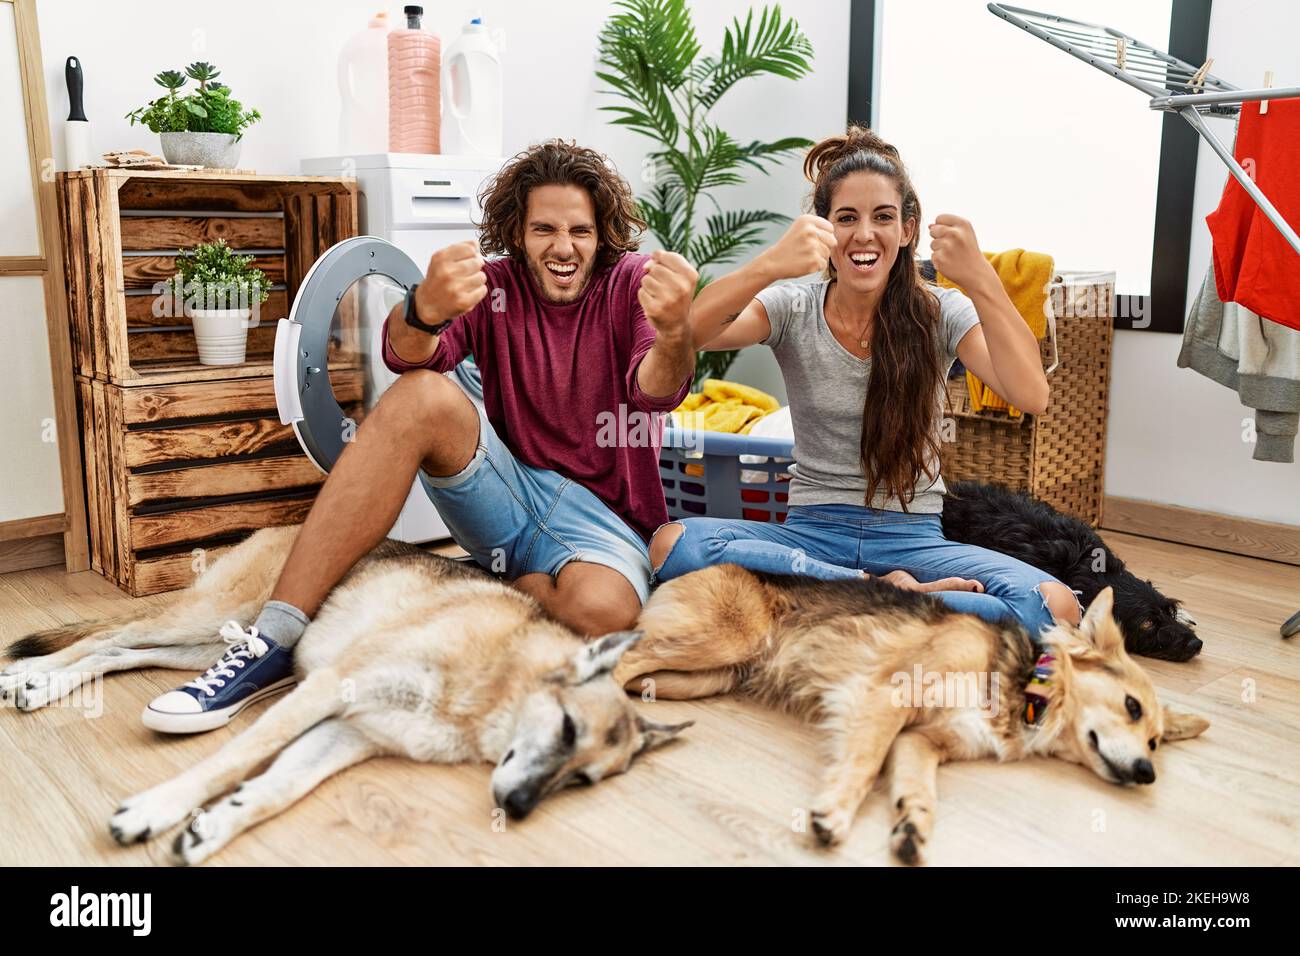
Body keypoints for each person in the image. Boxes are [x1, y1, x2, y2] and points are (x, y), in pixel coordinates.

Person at [143, 140, 697, 734]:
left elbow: (655, 393)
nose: (563, 247)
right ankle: (271, 643)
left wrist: (674, 334)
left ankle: (490, 585)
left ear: (601, 233)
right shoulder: (493, 286)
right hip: (510, 490)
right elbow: (402, 353)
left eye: (579, 231)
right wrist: (424, 309)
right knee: (420, 393)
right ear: (517, 229)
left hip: (604, 522)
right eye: (544, 229)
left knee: (607, 614)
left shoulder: (634, 283)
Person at [649, 125, 1083, 636]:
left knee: (1055, 607)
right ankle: (890, 595)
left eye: (883, 217)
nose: (864, 235)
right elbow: (692, 333)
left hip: (914, 539)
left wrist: (981, 279)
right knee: (672, 544)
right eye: (846, 218)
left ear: (907, 230)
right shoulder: (793, 306)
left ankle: (838, 596)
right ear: (824, 230)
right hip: (811, 534)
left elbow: (1030, 394)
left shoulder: (942, 310)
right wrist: (770, 265)